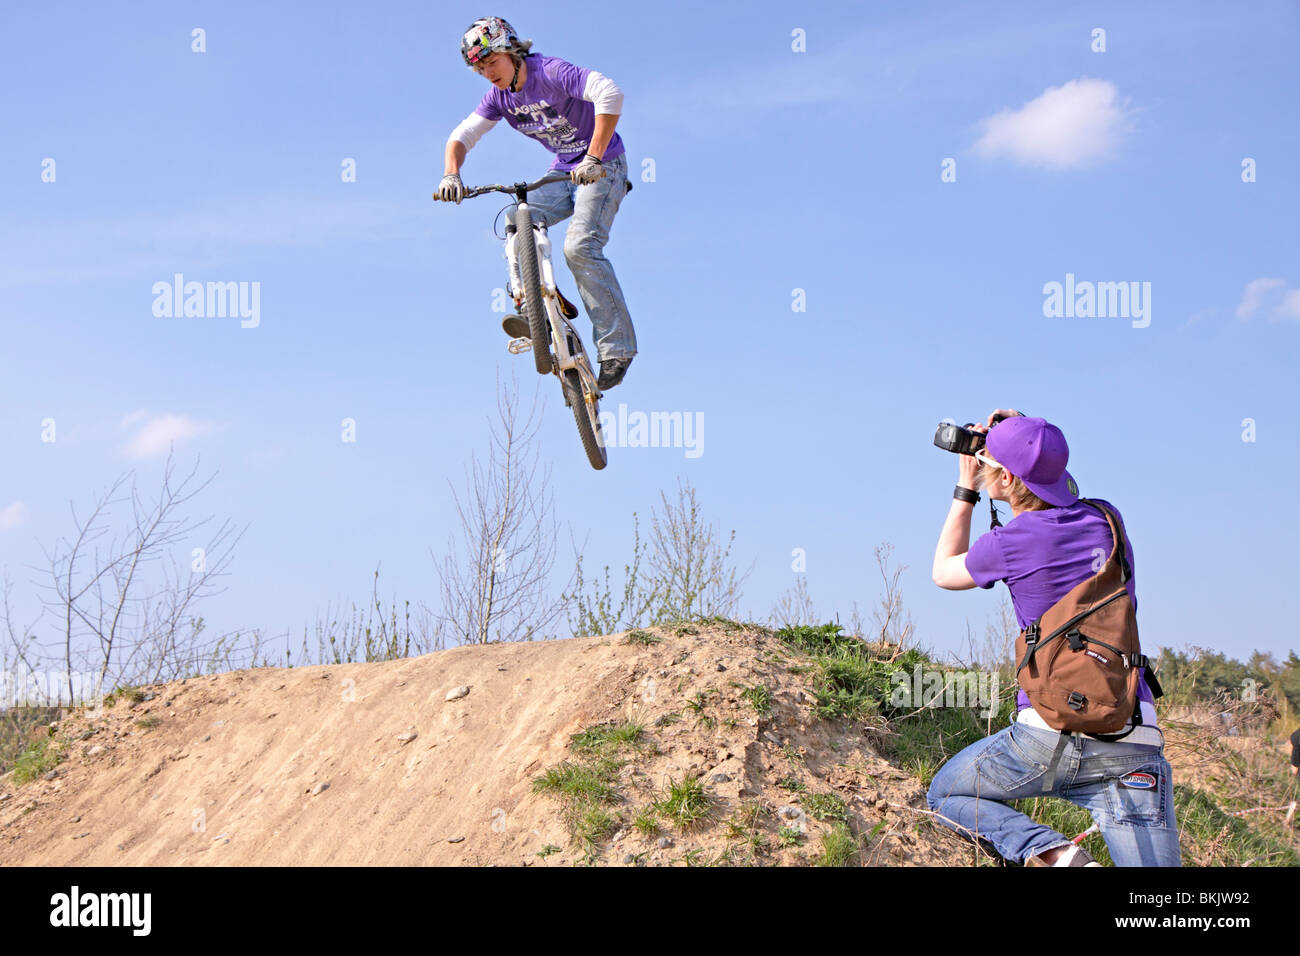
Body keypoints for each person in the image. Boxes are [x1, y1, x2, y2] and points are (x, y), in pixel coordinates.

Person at [926, 410, 1181, 867]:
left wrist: (965, 487)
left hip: (1046, 736)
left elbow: (944, 570)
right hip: (1131, 735)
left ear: (1002, 476)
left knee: (946, 793)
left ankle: (1054, 855)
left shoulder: (1008, 542)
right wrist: (1024, 433)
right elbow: (1052, 483)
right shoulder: (1109, 520)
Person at [437, 16, 636, 391]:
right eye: (479, 68)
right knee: (516, 218)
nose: (487, 73)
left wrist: (593, 157)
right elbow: (462, 135)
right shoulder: (499, 97)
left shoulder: (551, 72)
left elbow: (610, 94)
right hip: (563, 172)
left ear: (511, 50)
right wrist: (451, 174)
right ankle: (532, 307)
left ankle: (616, 348)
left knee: (579, 247)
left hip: (603, 164)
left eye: (491, 62)